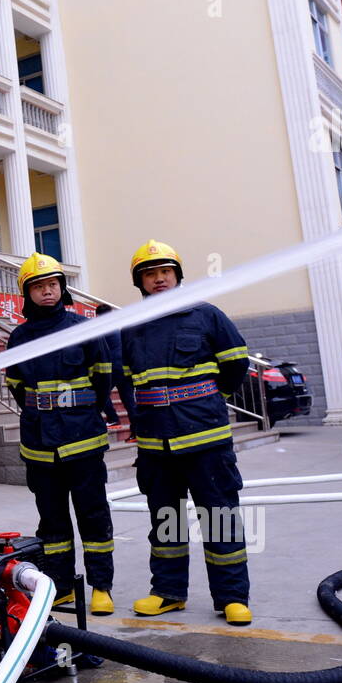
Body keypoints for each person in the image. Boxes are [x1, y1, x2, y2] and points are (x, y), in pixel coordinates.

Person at [121, 240, 253, 625]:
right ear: (140, 282)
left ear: (178, 276)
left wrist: (206, 399)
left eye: (165, 272)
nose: (158, 279)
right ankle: (168, 593)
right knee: (166, 518)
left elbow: (236, 364)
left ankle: (231, 597)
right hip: (155, 444)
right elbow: (127, 380)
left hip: (205, 440)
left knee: (219, 516)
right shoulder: (131, 327)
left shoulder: (206, 315)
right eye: (150, 273)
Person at [4, 254, 116, 616]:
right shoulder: (19, 337)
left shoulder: (82, 327)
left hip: (82, 439)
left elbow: (102, 378)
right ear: (27, 293)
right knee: (51, 520)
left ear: (62, 289)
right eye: (39, 286)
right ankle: (61, 585)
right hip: (39, 447)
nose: (47, 291)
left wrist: (78, 408)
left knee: (93, 514)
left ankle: (101, 586)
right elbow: (17, 386)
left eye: (53, 285)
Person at [95, 302, 137, 439]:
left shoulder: (102, 328)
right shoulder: (116, 327)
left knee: (101, 392)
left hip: (113, 368)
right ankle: (136, 431)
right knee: (129, 401)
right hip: (124, 368)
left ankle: (113, 418)